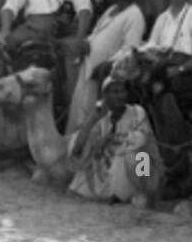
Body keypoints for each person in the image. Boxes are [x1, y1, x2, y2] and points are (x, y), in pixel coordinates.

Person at [67, 0, 147, 132]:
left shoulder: (135, 15)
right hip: (88, 67)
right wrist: (87, 43)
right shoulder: (111, 9)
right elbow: (97, 33)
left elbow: (130, 49)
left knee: (94, 119)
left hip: (106, 75)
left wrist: (108, 64)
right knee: (78, 112)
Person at [69, 75, 163, 207]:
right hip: (110, 169)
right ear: (106, 96)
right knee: (91, 160)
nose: (120, 96)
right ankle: (116, 193)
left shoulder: (137, 112)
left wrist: (116, 140)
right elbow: (78, 149)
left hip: (142, 168)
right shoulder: (102, 119)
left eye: (122, 91)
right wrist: (93, 120)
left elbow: (142, 138)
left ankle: (144, 192)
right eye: (115, 92)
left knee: (137, 156)